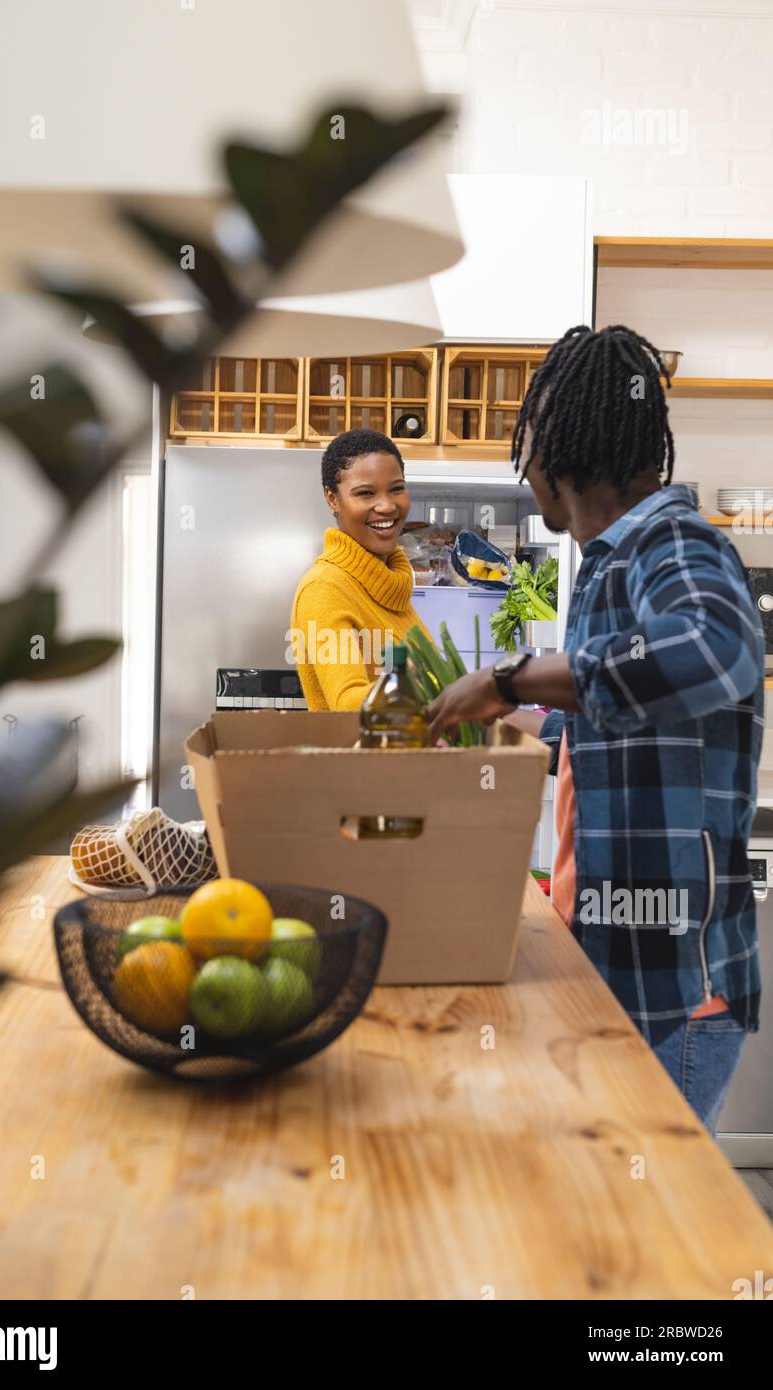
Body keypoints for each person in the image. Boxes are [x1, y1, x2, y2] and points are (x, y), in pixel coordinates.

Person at [427, 323, 765, 1133]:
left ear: (557, 451)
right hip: (625, 967)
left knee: (647, 1235)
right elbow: (624, 733)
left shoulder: (669, 541)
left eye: (530, 441)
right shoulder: (613, 560)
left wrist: (510, 679)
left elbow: (717, 650)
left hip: (676, 989)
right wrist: (508, 738)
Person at [290, 429, 429, 710]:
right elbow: (347, 705)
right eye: (365, 493)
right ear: (332, 498)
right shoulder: (325, 589)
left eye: (396, 488)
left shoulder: (390, 581)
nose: (387, 506)